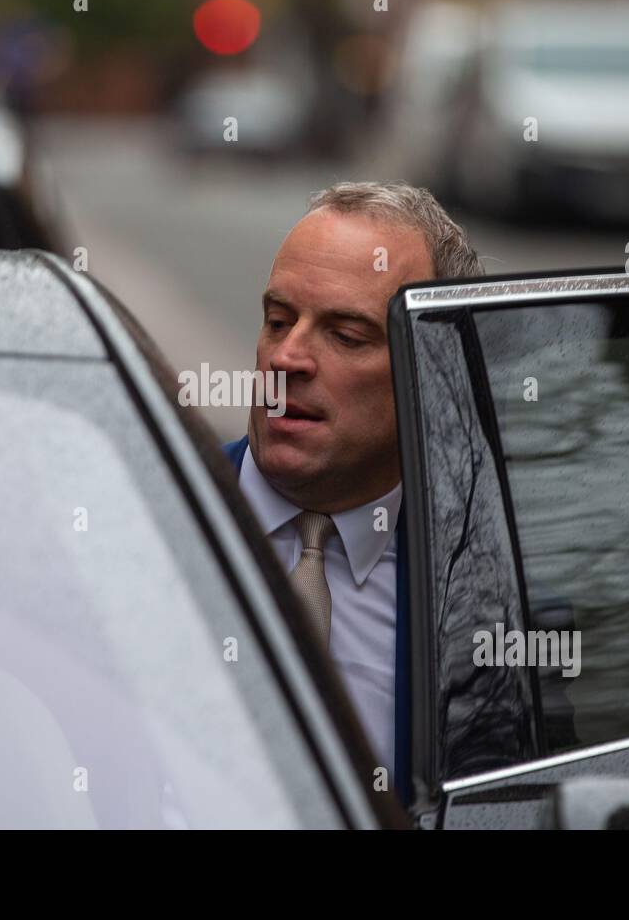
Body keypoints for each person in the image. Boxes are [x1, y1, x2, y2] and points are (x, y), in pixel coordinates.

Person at [224, 181, 483, 802]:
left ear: (433, 372)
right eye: (278, 319)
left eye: (346, 335)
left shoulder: (485, 597)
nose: (286, 357)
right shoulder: (143, 517)